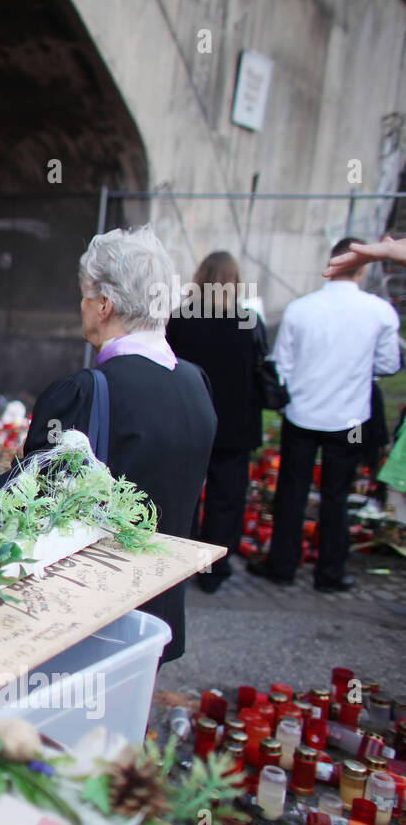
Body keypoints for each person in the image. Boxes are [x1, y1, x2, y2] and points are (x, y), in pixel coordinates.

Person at [16, 226, 215, 664]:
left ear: (104, 304)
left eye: (85, 294)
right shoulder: (194, 383)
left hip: (90, 622)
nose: (81, 305)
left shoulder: (83, 391)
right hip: (159, 616)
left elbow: (26, 507)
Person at [247, 238, 401, 592]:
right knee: (337, 493)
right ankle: (330, 572)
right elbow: (390, 363)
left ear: (331, 263)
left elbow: (281, 367)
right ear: (362, 268)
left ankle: (282, 565)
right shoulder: (378, 311)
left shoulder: (301, 308)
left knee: (292, 490)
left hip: (301, 413)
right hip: (351, 420)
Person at [165, 252, 262, 592]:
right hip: (234, 424)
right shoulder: (248, 322)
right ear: (234, 281)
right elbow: (259, 370)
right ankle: (214, 570)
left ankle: (178, 558)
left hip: (188, 419)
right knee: (227, 497)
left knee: (184, 492)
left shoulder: (180, 320)